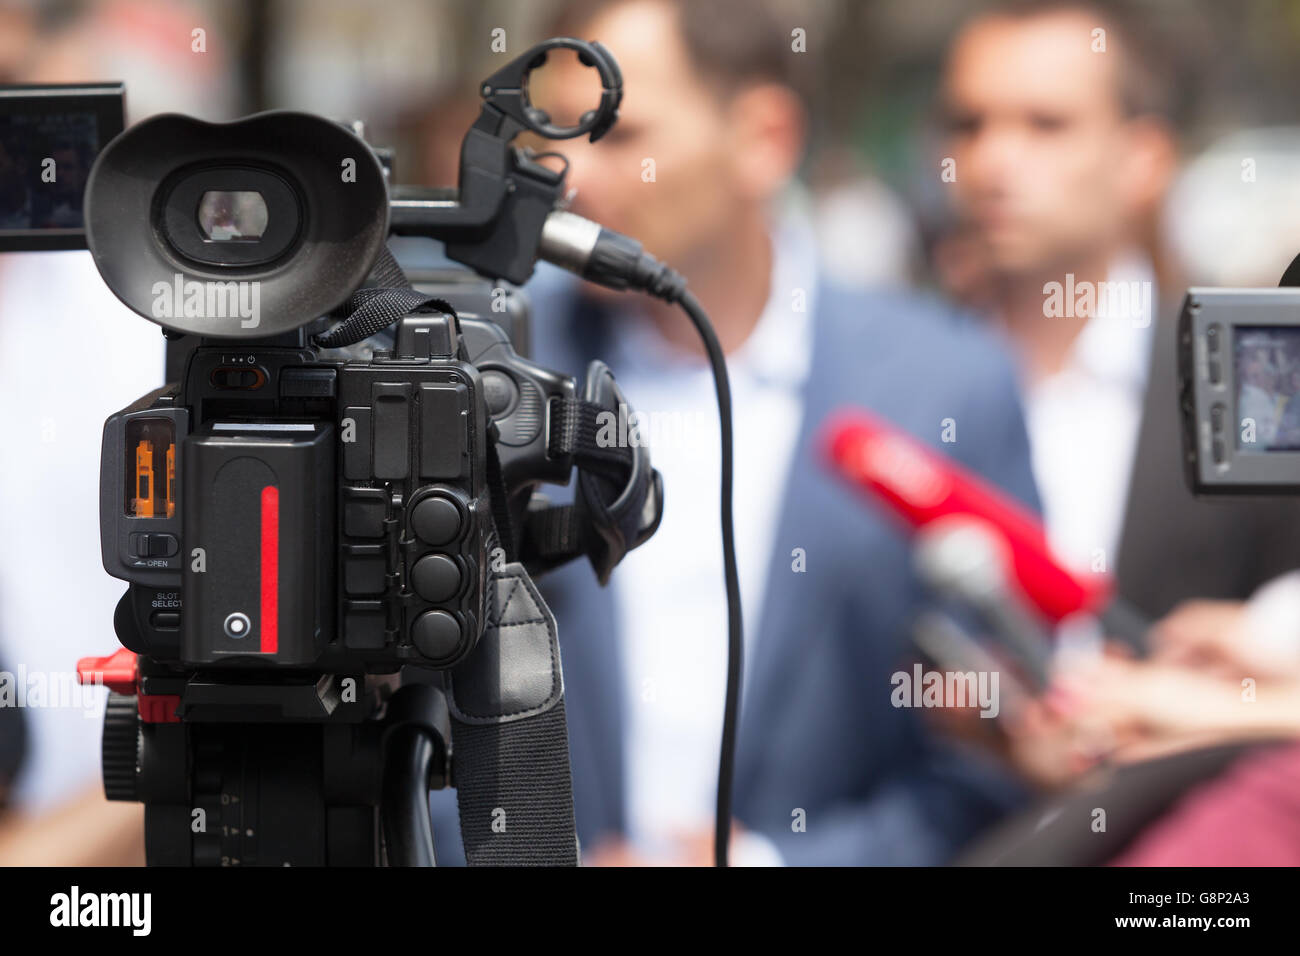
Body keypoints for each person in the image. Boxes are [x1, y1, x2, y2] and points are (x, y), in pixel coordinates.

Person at [429, 0, 1042, 866]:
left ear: (764, 137)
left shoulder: (946, 385)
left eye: (623, 132)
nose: (572, 177)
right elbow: (402, 735)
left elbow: (997, 761)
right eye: (553, 139)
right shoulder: (488, 373)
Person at [937, 0, 1300, 621]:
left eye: (1046, 124)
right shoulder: (897, 376)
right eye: (969, 125)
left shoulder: (1257, 376)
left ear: (1144, 159)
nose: (993, 161)